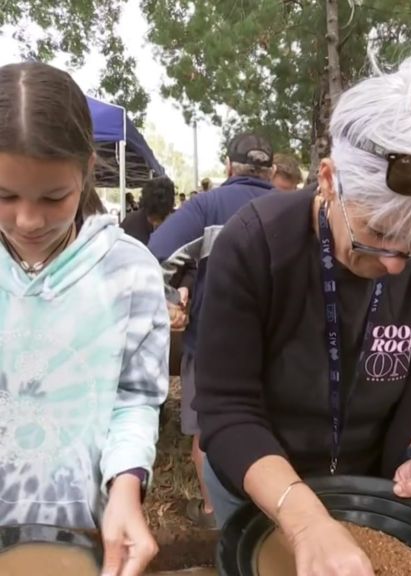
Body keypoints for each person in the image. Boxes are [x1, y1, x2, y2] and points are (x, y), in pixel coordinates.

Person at [195, 54, 411, 575]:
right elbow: (226, 410)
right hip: (260, 484)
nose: (393, 263)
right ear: (328, 179)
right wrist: (305, 520)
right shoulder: (254, 245)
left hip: (372, 492)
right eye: (378, 234)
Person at [0, 61, 166, 576]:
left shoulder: (129, 271)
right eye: (4, 195)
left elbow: (136, 397)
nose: (28, 220)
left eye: (54, 197)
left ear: (87, 168)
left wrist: (125, 487)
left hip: (84, 531)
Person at [147, 131, 276, 528]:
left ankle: (214, 513)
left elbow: (154, 254)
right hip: (279, 345)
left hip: (211, 344)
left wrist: (171, 297)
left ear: (228, 166)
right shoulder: (290, 207)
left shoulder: (206, 205)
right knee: (269, 425)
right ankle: (267, 515)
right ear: (270, 170)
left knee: (209, 430)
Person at [120, 176, 176, 245]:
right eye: (153, 218)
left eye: (162, 218)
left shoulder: (178, 225)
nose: (156, 224)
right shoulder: (130, 223)